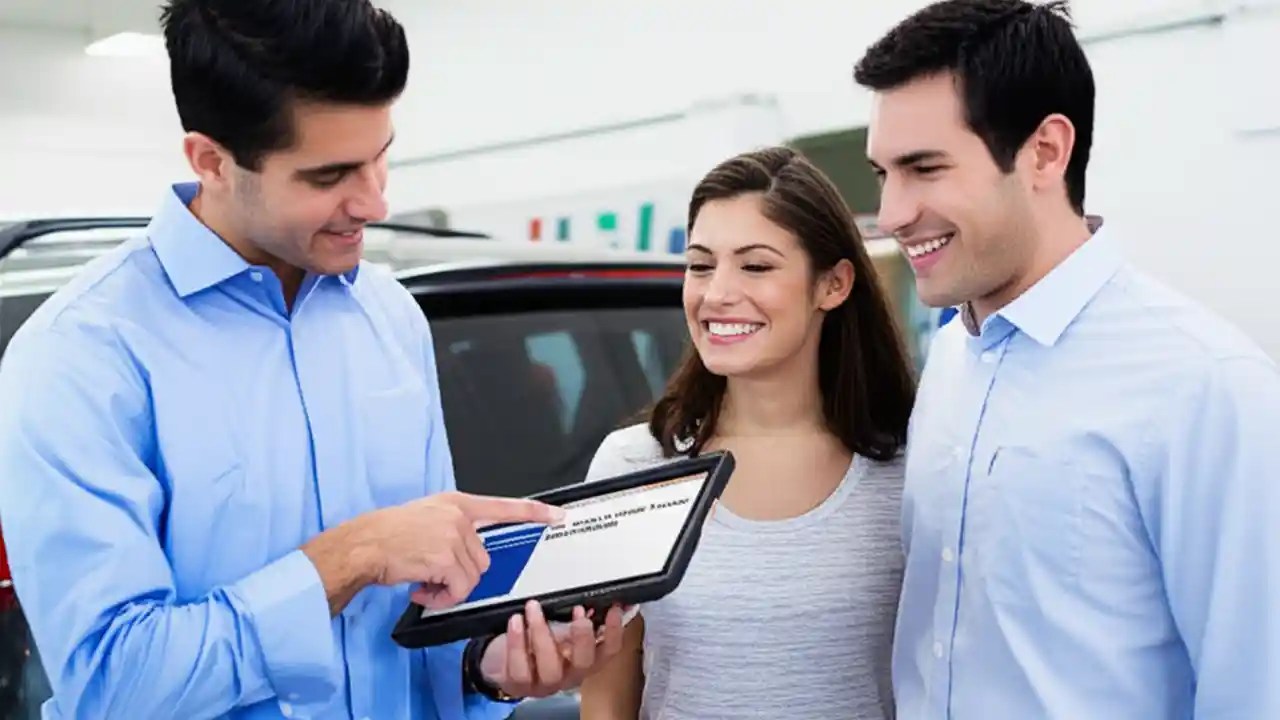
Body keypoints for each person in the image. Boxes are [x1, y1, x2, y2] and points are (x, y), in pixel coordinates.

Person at [0, 1, 625, 718]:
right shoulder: (82, 354)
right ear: (211, 161)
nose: (376, 200)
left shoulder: (388, 317)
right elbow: (116, 686)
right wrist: (350, 557)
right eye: (330, 176)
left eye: (381, 154)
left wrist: (490, 667)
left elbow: (422, 619)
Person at [854, 1, 1280, 717]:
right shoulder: (953, 362)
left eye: (924, 168)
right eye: (883, 174)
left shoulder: (1204, 386)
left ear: (1045, 152)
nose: (892, 213)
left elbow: (1256, 687)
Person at [577, 146, 919, 719]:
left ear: (832, 285)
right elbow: (607, 699)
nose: (716, 294)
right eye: (701, 265)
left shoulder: (908, 470)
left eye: (755, 266)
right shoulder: (633, 469)